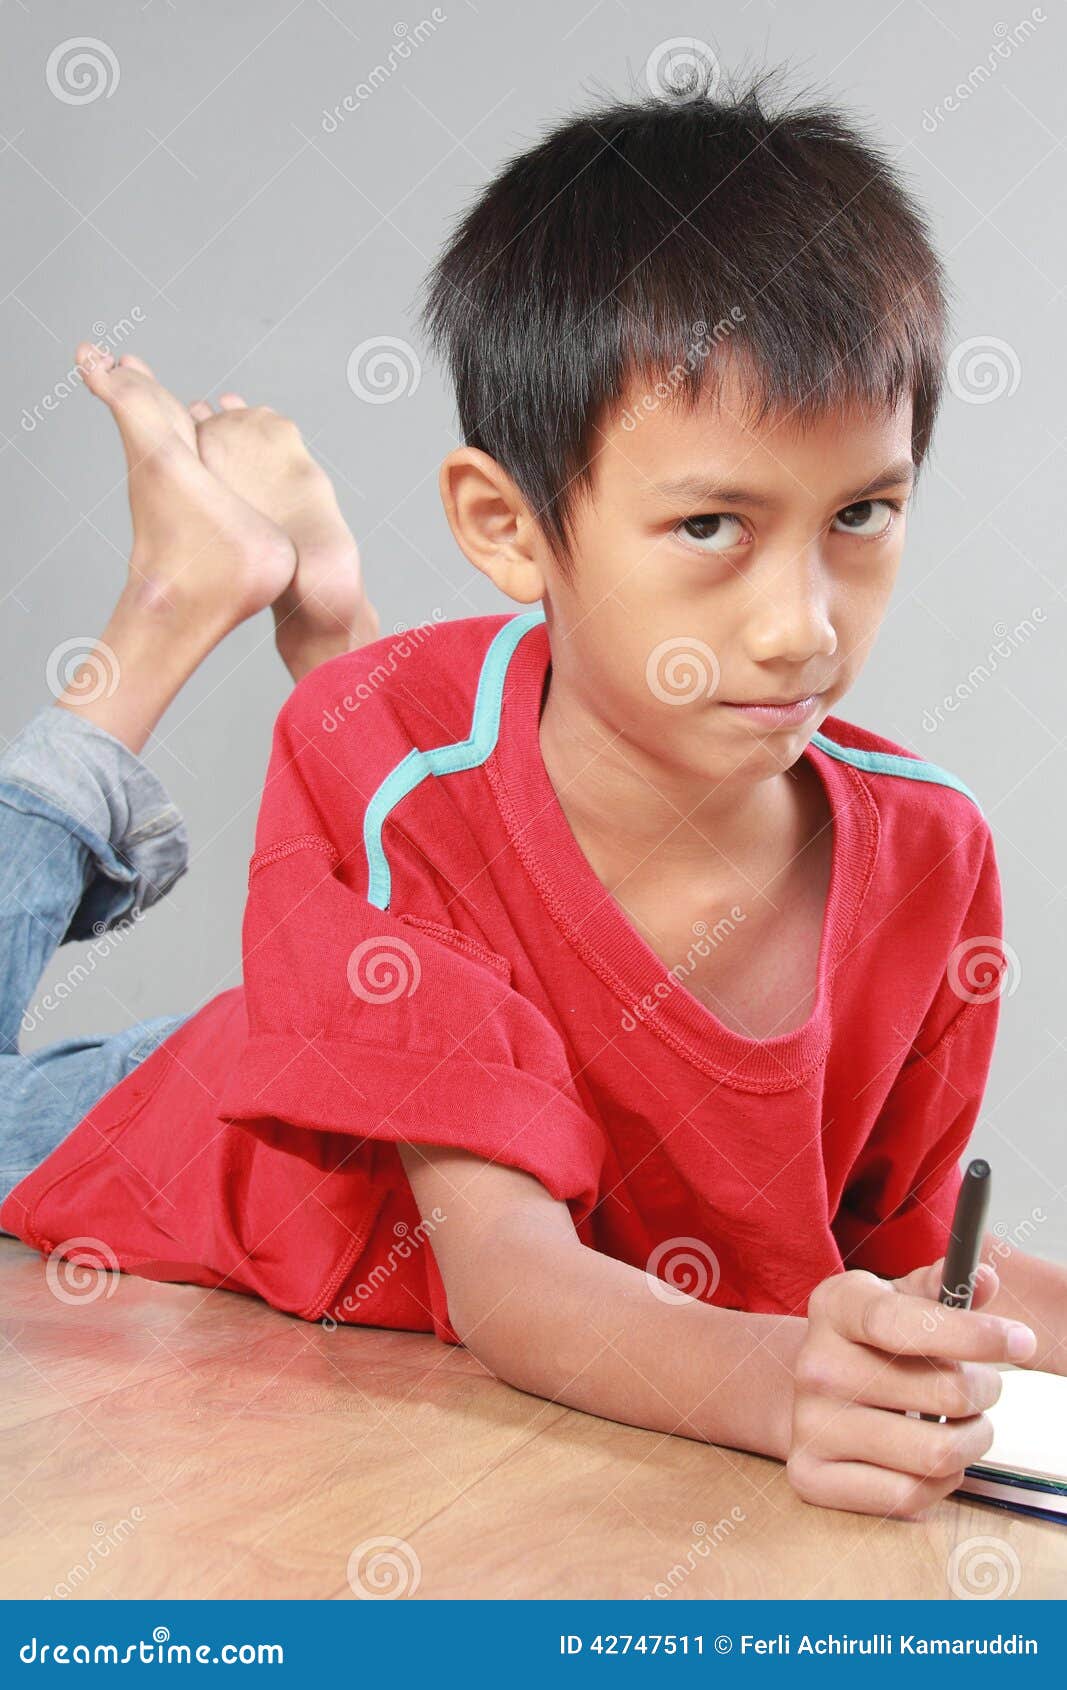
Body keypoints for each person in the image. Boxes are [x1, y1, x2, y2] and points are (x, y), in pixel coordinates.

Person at [3, 71, 1064, 1527]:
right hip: (178, 1120)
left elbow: (890, 1243)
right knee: (376, 774)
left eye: (861, 515)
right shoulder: (401, 789)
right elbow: (512, 1278)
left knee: (383, 765)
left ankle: (329, 620)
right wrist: (777, 1387)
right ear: (506, 527)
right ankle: (168, 612)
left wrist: (931, 1325)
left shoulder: (934, 853)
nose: (801, 625)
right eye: (711, 525)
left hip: (396, 927)